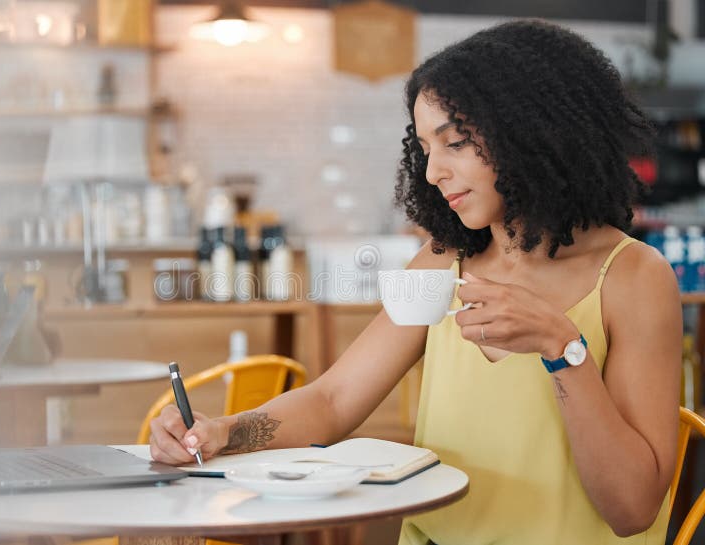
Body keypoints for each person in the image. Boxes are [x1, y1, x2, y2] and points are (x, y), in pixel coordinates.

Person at [150, 19, 682, 545]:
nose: (432, 173)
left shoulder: (634, 276)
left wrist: (562, 347)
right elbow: (333, 400)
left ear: (531, 133)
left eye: (455, 143)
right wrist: (224, 432)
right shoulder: (443, 261)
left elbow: (632, 509)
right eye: (426, 149)